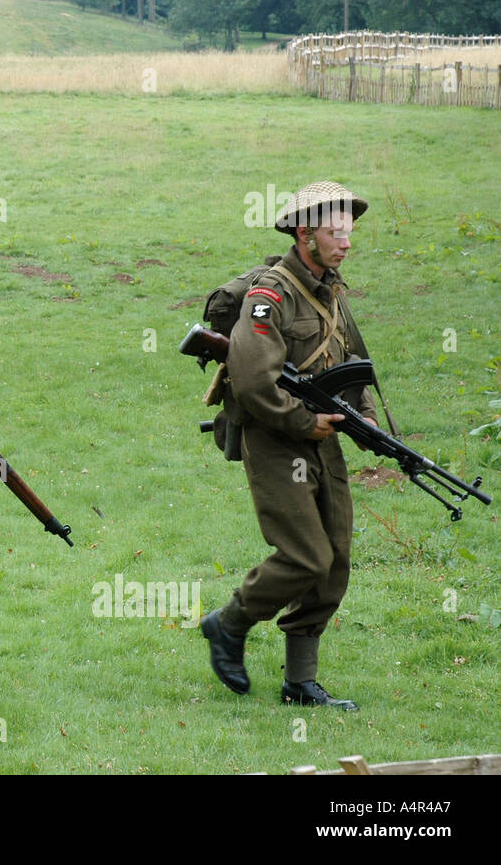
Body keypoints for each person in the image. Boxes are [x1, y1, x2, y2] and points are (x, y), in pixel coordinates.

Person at [201, 180, 379, 711]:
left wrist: (366, 420)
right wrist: (304, 422)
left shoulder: (331, 292)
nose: (345, 242)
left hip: (324, 439)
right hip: (278, 438)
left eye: (348, 231)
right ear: (304, 234)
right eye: (334, 231)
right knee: (306, 556)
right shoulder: (269, 295)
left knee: (335, 560)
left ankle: (300, 682)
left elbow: (350, 368)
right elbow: (254, 382)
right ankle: (228, 624)